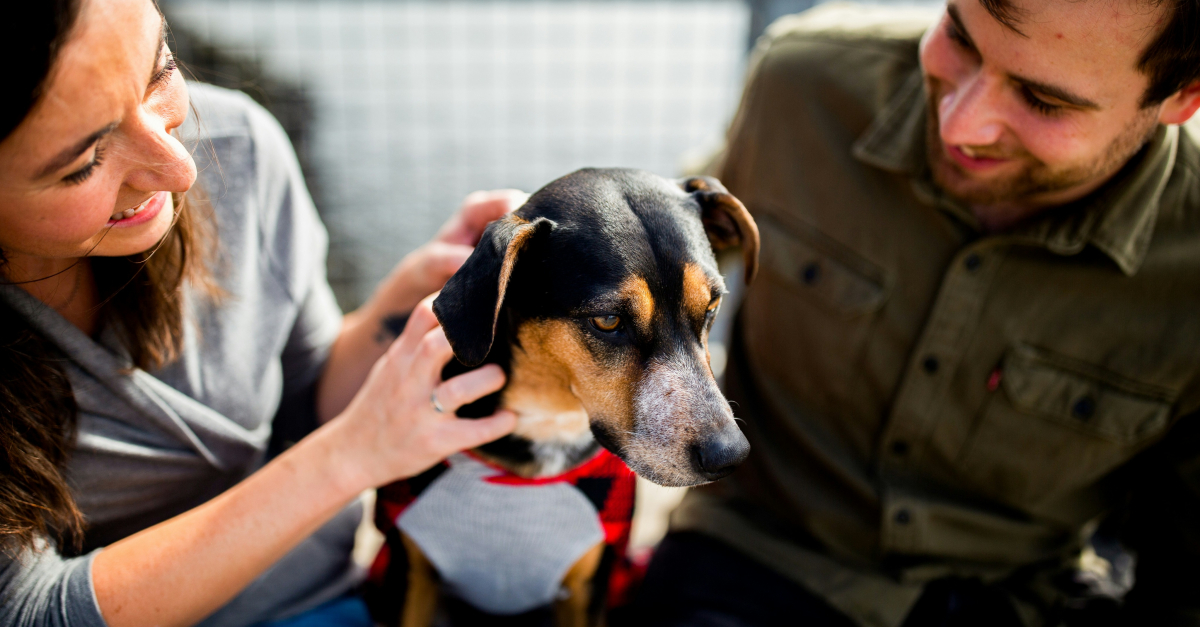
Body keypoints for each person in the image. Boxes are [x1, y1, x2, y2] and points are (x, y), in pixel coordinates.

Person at [633, 0, 1200, 625]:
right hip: (750, 557)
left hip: (1014, 601)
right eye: (959, 37)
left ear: (1183, 95)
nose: (962, 124)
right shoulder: (801, 84)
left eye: (1044, 101)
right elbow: (657, 259)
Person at [0, 1, 522, 625]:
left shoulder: (239, 146)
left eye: (161, 74)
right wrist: (351, 455)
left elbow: (301, 400)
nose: (181, 169)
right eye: (83, 164)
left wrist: (402, 300)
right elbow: (30, 612)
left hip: (333, 599)